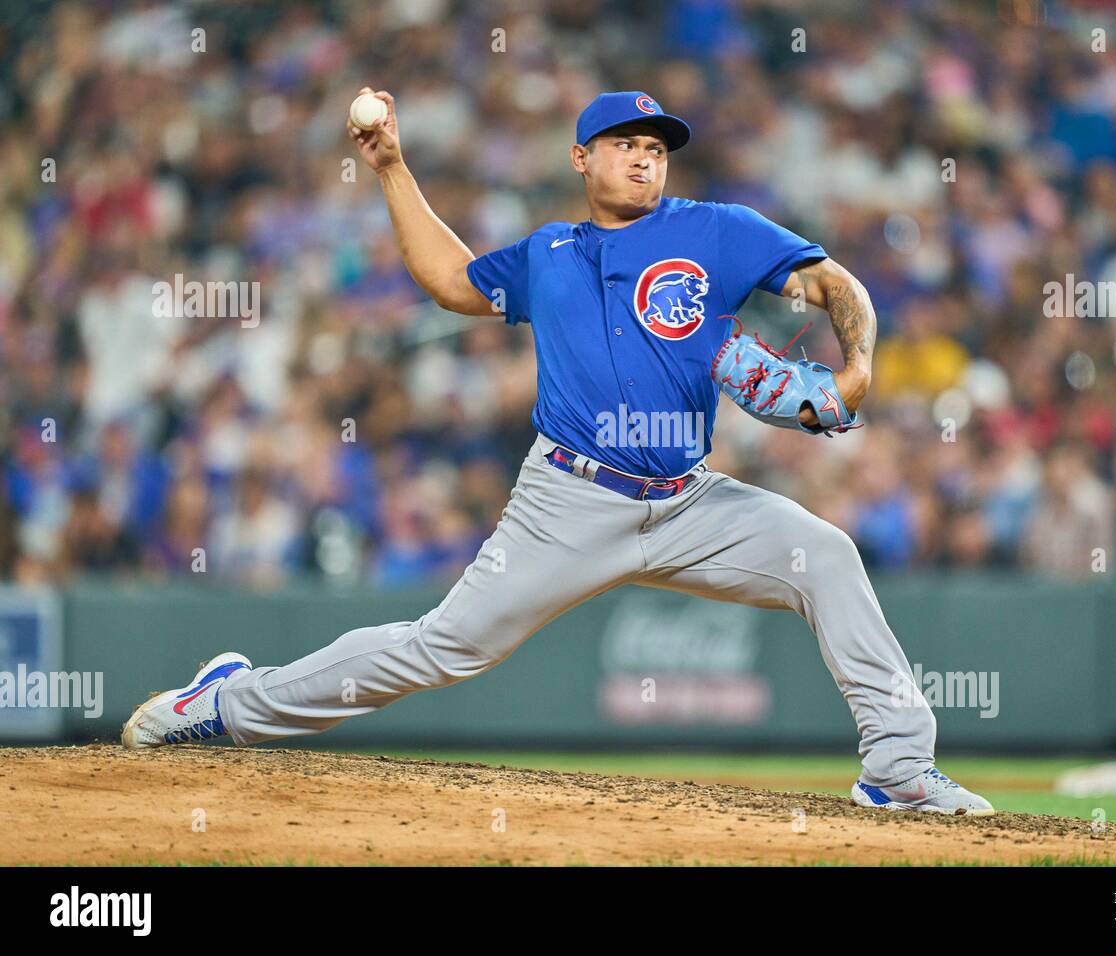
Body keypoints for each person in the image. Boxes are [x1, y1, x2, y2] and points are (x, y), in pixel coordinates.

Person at [122, 89, 993, 816]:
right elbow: (452, 282)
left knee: (827, 557)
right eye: (625, 144)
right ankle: (227, 703)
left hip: (690, 500)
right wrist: (390, 166)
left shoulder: (718, 230)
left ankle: (898, 770)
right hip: (568, 499)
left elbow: (833, 284)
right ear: (582, 158)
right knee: (443, 647)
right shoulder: (550, 253)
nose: (646, 159)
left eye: (657, 147)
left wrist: (860, 366)